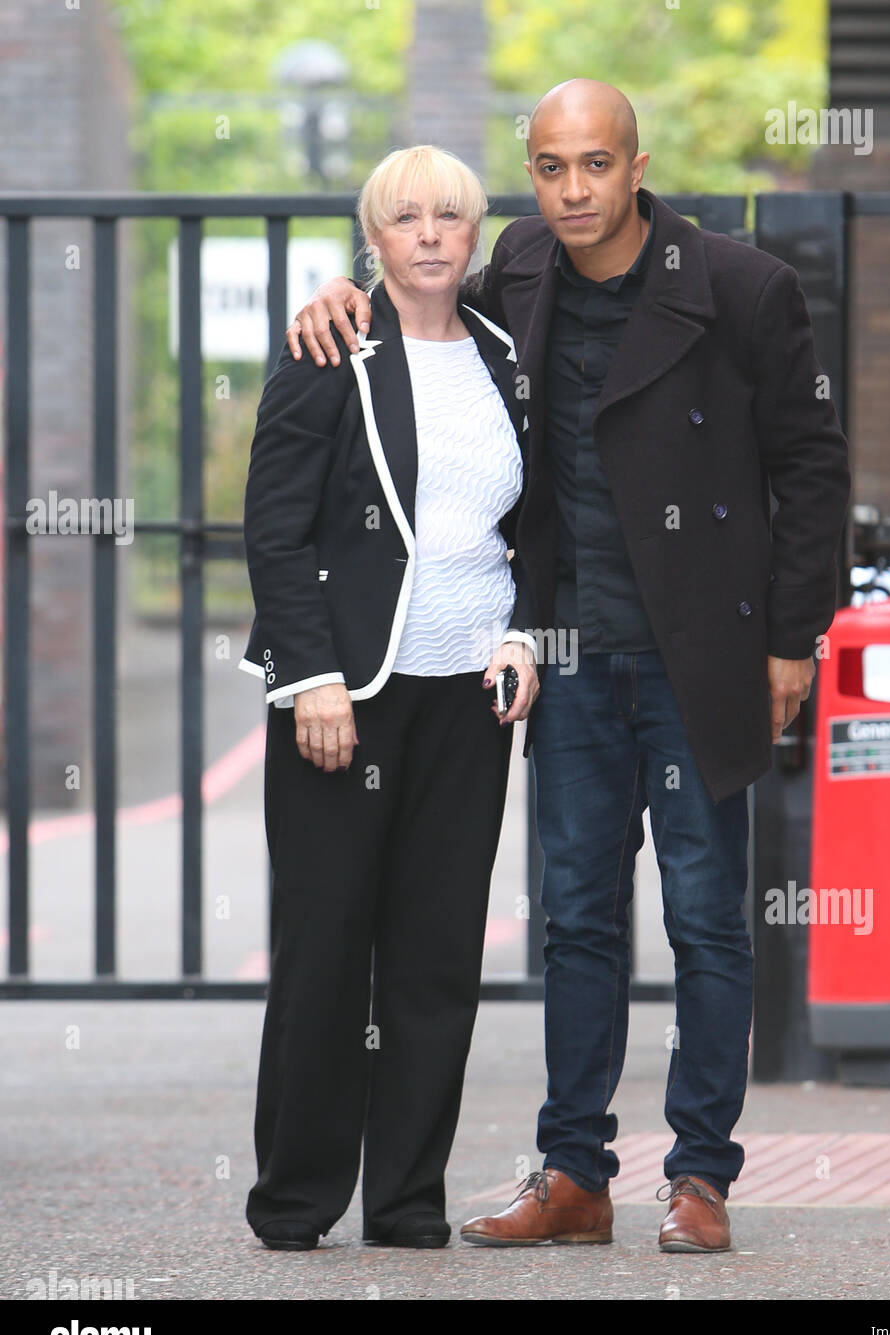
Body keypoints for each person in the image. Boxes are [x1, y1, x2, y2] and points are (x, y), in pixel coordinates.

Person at [287, 79, 851, 1253]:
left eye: (597, 164)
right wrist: (341, 285)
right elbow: (417, 291)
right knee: (579, 922)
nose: (575, 188)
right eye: (551, 167)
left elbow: (811, 472)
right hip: (571, 659)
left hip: (704, 659)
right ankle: (576, 1173)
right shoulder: (520, 275)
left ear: (638, 166)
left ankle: (700, 1178)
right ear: (533, 176)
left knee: (706, 921)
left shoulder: (744, 287)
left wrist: (792, 639)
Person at [240, 144, 540, 1252]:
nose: (429, 234)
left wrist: (522, 633)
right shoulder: (332, 347)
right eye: (406, 217)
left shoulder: (511, 353)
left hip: (470, 696)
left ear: (474, 234)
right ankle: (294, 1200)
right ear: (373, 235)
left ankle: (407, 1201)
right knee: (326, 945)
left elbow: (533, 523)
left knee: (436, 951)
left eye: (450, 216)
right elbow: (273, 526)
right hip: (346, 696)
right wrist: (310, 676)